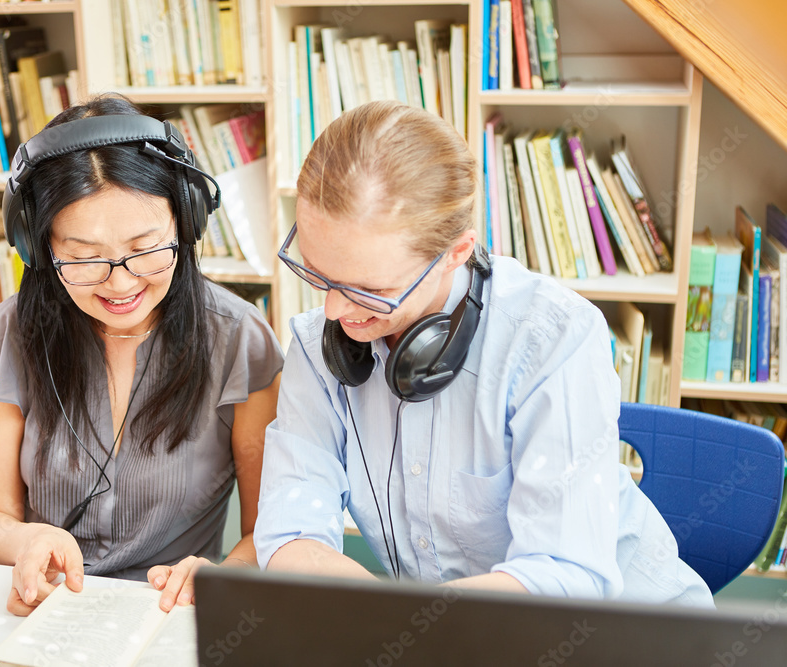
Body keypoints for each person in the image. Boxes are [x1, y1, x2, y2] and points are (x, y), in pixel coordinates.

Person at [253, 100, 713, 606]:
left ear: (456, 252)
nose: (335, 309)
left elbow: (564, 574)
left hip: (623, 637)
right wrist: (393, 629)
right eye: (318, 272)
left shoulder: (554, 338)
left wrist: (410, 629)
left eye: (368, 289)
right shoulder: (318, 348)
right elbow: (290, 533)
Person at [0, 94, 283, 616]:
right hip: (37, 607)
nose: (122, 283)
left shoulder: (239, 340)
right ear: (39, 249)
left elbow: (268, 532)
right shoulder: (12, 331)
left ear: (187, 223)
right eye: (84, 259)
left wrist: (224, 575)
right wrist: (24, 545)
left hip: (162, 617)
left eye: (148, 248)